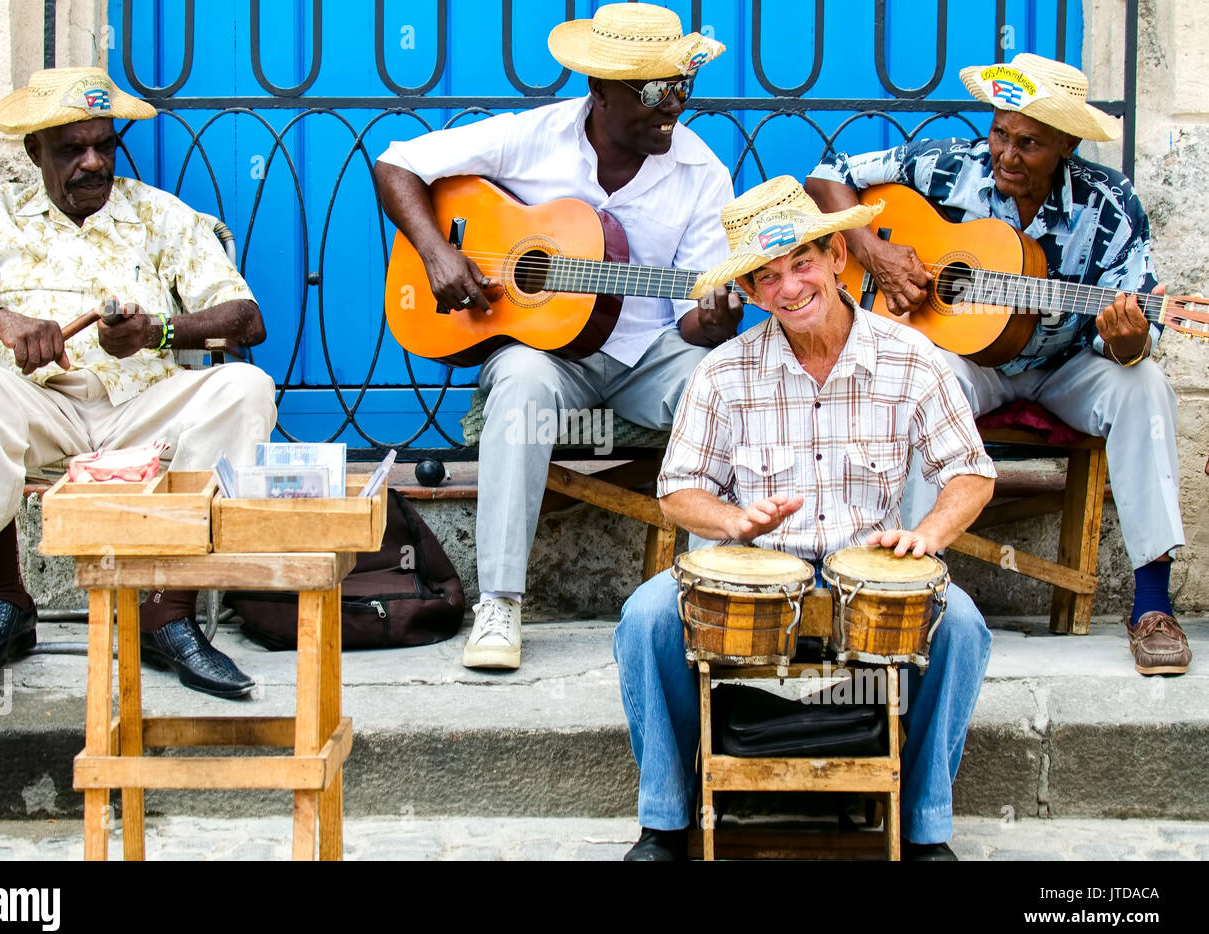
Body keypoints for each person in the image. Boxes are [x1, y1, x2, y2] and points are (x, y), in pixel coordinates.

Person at [613, 177, 998, 861]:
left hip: (873, 573)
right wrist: (734, 520)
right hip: (755, 574)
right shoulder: (724, 372)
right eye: (768, 278)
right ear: (754, 293)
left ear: (835, 259)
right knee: (645, 618)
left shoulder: (910, 357)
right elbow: (678, 490)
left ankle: (925, 821)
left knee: (963, 624)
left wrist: (928, 535)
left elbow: (969, 471)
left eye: (801, 264)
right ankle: (665, 820)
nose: (789, 288)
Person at [375, 3, 745, 670]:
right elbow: (396, 164)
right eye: (658, 91)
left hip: (648, 355)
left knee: (721, 383)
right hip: (548, 354)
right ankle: (500, 603)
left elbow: (692, 320)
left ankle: (710, 593)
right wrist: (436, 252)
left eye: (682, 88)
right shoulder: (530, 137)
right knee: (518, 382)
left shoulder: (702, 174)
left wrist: (714, 321)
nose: (674, 107)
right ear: (600, 91)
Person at [805, 52, 1191, 676]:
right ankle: (908, 593)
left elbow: (1133, 334)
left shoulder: (1112, 205)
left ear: (1066, 144)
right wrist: (874, 253)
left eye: (1030, 144)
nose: (1007, 156)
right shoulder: (949, 165)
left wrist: (1129, 341)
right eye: (1001, 134)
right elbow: (827, 175)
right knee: (918, 376)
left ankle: (1151, 606)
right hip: (970, 361)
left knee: (1145, 384)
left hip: (1068, 364)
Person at [0, 67, 277, 699]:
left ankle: (168, 612)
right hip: (40, 410)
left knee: (245, 388)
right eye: (70, 150)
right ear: (36, 152)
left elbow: (246, 318)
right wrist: (0, 321)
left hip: (143, 412)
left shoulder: (158, 214)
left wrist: (158, 333)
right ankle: (8, 601)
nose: (93, 163)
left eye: (104, 146)